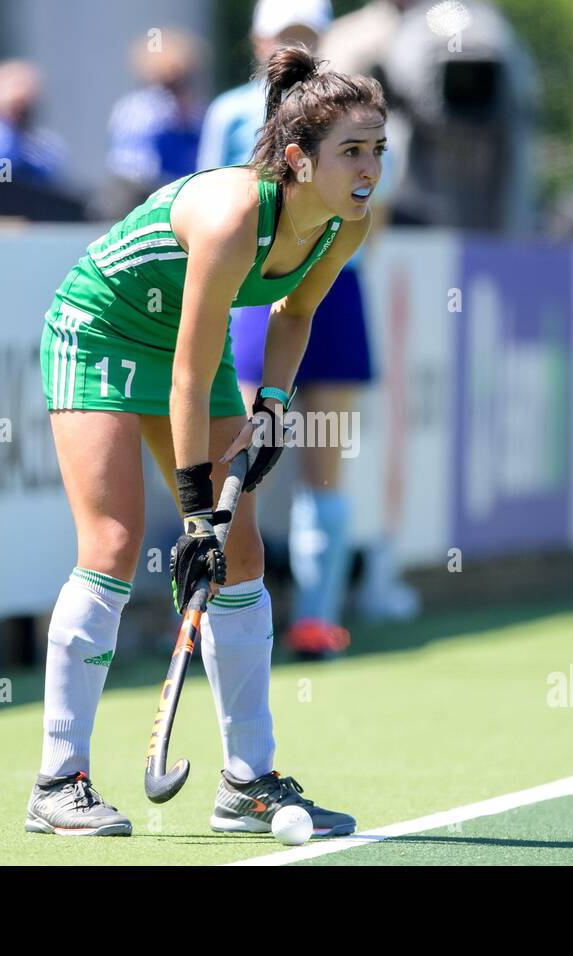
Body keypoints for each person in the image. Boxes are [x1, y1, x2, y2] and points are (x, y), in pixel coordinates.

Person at [26, 45, 386, 837]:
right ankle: (59, 780)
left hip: (193, 352)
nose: (369, 169)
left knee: (243, 555)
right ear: (299, 159)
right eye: (352, 151)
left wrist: (275, 403)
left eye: (377, 149)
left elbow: (294, 314)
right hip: (101, 331)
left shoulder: (345, 225)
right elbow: (187, 379)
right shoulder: (232, 216)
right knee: (114, 544)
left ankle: (248, 782)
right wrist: (195, 517)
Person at [197, 0, 374, 659]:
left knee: (324, 462)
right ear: (257, 39)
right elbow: (210, 195)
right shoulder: (228, 112)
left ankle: (317, 618)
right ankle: (225, 612)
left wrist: (327, 254)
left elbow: (370, 208)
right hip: (256, 289)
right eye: (283, 33)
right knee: (241, 455)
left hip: (335, 288)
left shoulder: (355, 107)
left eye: (306, 32)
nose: (294, 42)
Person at [98, 30, 207, 220]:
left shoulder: (194, 114)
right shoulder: (141, 110)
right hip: (139, 200)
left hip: (176, 197)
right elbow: (136, 170)